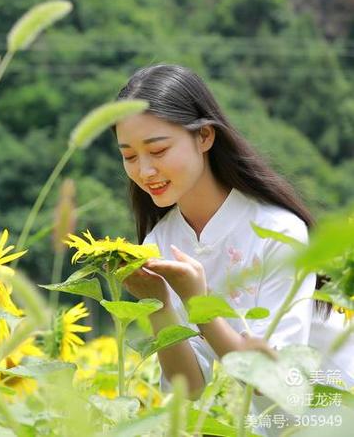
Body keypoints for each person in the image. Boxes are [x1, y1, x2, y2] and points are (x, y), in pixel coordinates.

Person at [113, 64, 346, 435]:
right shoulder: (158, 244)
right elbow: (188, 388)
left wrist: (198, 302)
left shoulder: (277, 230)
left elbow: (273, 380)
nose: (144, 171)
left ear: (204, 136)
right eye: (129, 156)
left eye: (157, 150)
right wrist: (157, 302)